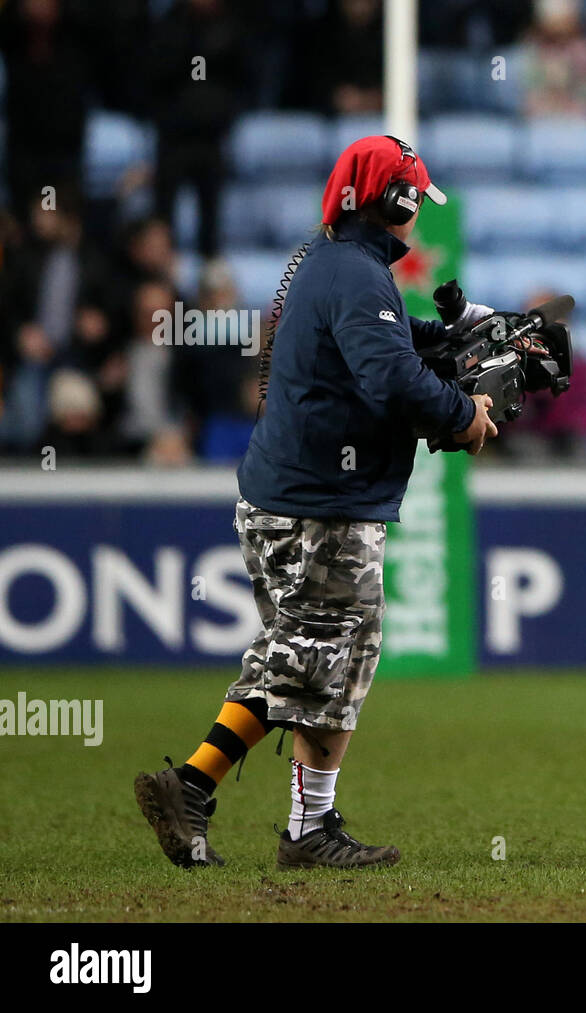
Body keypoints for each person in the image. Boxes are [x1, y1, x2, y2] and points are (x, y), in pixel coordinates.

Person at [135, 135, 499, 870]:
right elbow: (390, 378)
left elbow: (385, 342)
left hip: (290, 494)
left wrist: (459, 335)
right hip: (321, 505)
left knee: (311, 653)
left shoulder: (329, 261)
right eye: (412, 201)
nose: (416, 217)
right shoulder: (356, 274)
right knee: (326, 655)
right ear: (390, 202)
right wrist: (464, 414)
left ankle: (218, 793)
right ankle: (286, 820)